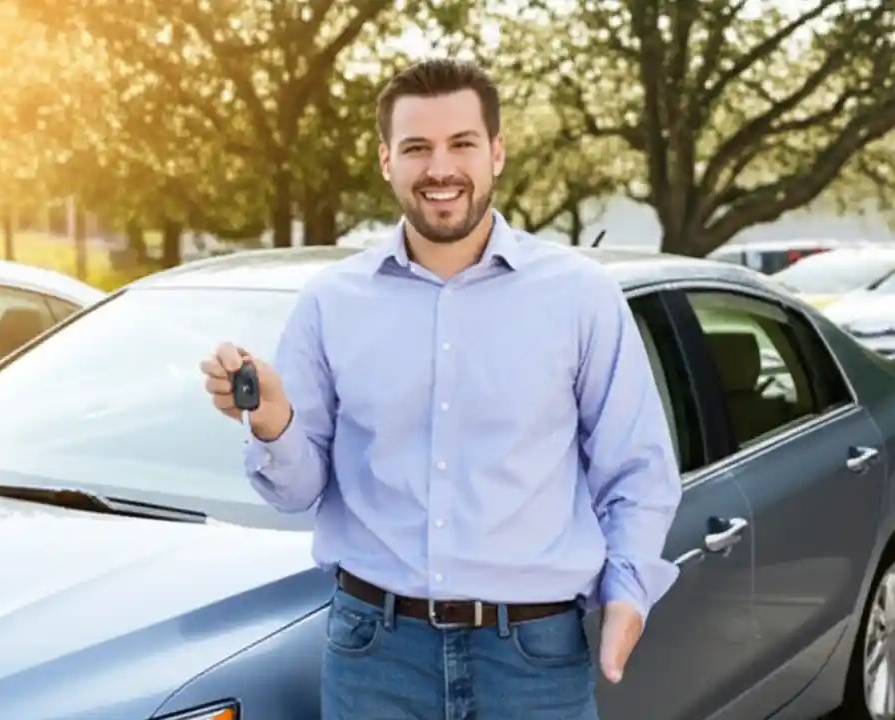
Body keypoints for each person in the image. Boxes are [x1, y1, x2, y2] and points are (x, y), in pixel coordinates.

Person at [199, 58, 682, 719]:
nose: (440, 169)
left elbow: (637, 466)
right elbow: (295, 492)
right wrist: (275, 421)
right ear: (386, 160)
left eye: (462, 144)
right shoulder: (331, 303)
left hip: (534, 658)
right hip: (375, 655)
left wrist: (628, 593)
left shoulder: (581, 297)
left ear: (497, 152)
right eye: (417, 148)